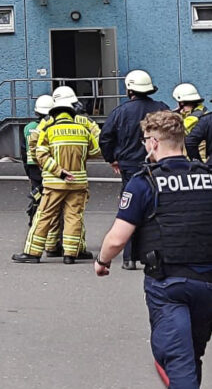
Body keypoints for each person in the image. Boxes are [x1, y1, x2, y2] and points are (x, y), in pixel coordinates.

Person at [94, 111, 212, 389]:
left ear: (155, 143)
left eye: (146, 140)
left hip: (168, 283)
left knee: (176, 359)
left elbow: (118, 238)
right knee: (189, 356)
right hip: (207, 282)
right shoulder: (208, 178)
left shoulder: (145, 182)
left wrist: (103, 261)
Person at [13, 86, 101, 264]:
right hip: (78, 181)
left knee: (44, 214)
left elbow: (36, 148)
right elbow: (97, 148)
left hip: (54, 181)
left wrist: (52, 169)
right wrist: (80, 157)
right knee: (74, 216)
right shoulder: (84, 125)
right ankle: (71, 253)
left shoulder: (48, 126)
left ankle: (34, 252)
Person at [100, 69, 170, 270]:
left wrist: (112, 159)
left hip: (129, 167)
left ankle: (129, 258)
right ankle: (157, 255)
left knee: (129, 208)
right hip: (158, 164)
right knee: (158, 207)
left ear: (129, 88)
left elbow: (106, 137)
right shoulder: (162, 109)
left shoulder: (120, 112)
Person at [23, 94, 55, 223]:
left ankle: (34, 218)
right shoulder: (52, 126)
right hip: (49, 165)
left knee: (37, 193)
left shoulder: (28, 128)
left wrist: (28, 173)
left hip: (32, 167)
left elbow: (23, 152)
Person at [174, 83, 210, 161]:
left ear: (182, 103)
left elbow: (175, 130)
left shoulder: (195, 116)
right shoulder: (201, 110)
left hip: (200, 158)